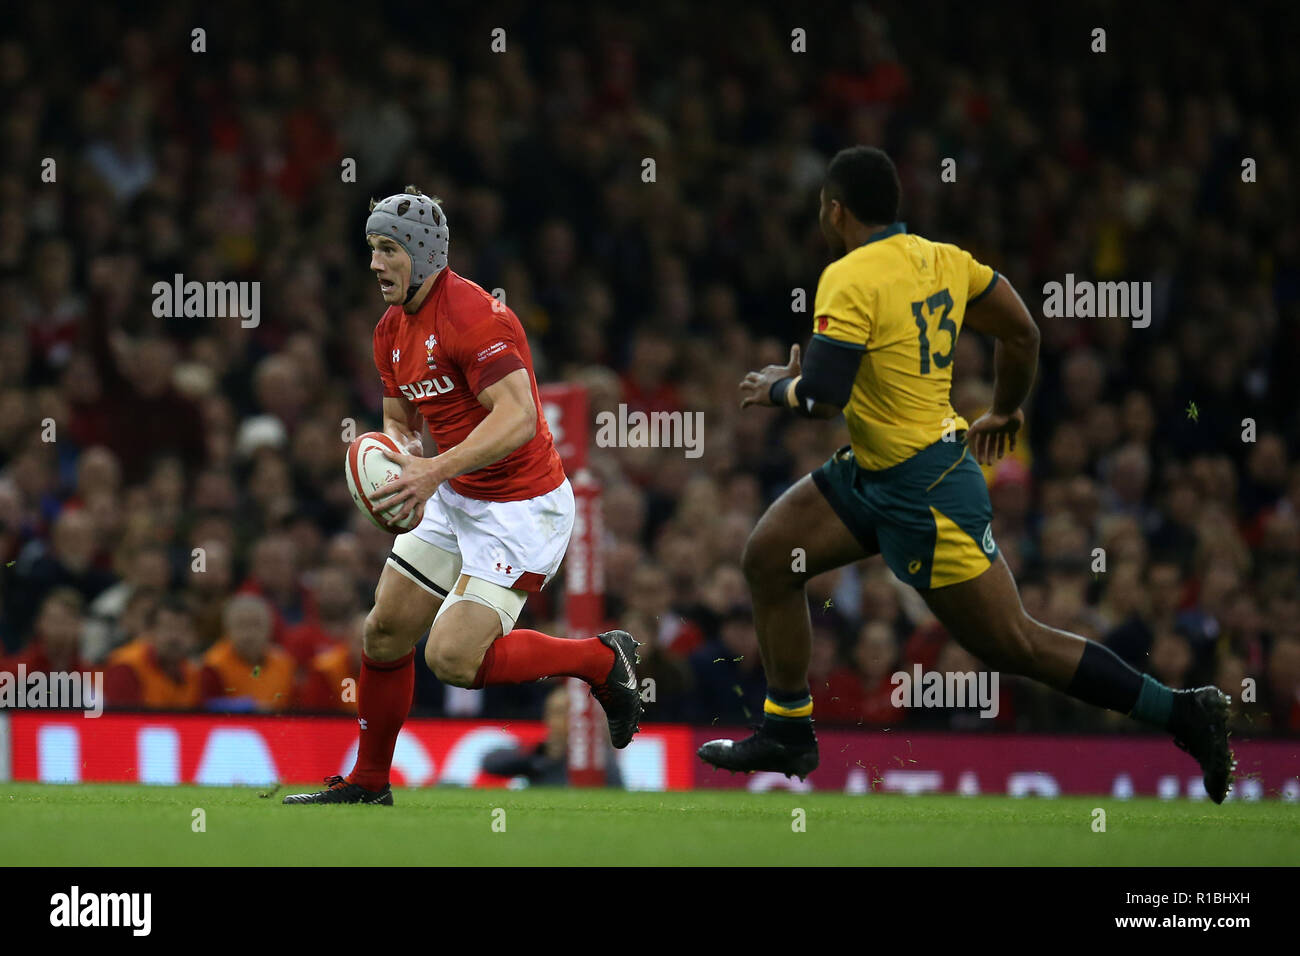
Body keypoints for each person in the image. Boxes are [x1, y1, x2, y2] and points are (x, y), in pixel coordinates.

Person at [698, 147, 1235, 803]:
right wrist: (1006, 409)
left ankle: (1183, 712)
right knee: (770, 557)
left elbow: (824, 398)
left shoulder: (847, 275)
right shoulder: (943, 259)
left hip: (924, 491)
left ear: (835, 210)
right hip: (874, 472)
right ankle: (787, 729)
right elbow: (1023, 335)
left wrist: (779, 387)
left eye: (821, 207)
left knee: (1016, 644)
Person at [285, 188, 640, 805]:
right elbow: (400, 418)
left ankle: (600, 661)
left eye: (387, 250)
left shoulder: (478, 316)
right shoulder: (389, 331)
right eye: (371, 249)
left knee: (451, 657)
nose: (374, 263)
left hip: (522, 507)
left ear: (423, 254)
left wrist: (430, 472)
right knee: (385, 631)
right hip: (453, 491)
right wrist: (402, 462)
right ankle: (369, 783)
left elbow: (519, 419)